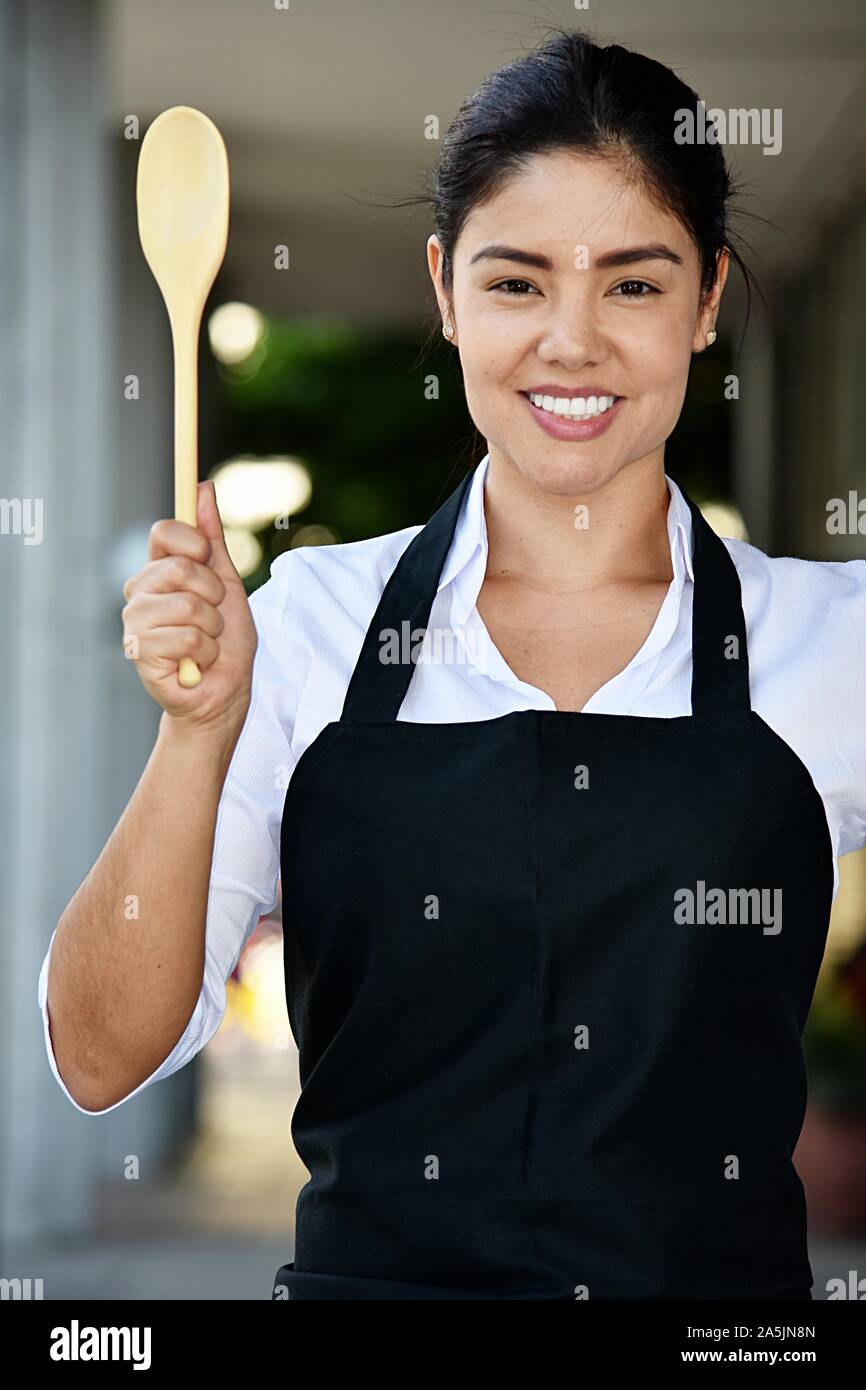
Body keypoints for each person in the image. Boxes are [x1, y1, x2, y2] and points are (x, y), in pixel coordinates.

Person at [39, 27, 866, 1300]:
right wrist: (196, 732)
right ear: (443, 288)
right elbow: (96, 1058)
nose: (572, 343)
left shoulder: (829, 640)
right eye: (517, 282)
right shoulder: (305, 625)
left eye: (634, 286)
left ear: (706, 299)